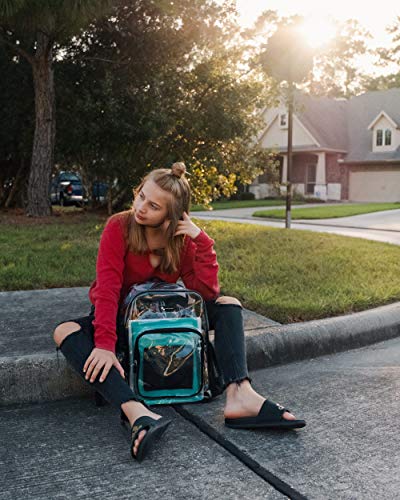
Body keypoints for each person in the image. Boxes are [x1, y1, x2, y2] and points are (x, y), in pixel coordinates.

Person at [53, 162, 305, 462]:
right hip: (122, 322)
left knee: (228, 304)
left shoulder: (182, 240)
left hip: (163, 320)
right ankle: (137, 413)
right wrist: (105, 345)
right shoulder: (119, 227)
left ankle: (241, 395)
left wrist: (203, 242)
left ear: (171, 216)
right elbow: (107, 290)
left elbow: (206, 293)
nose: (141, 207)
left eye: (153, 205)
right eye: (141, 196)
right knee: (64, 331)